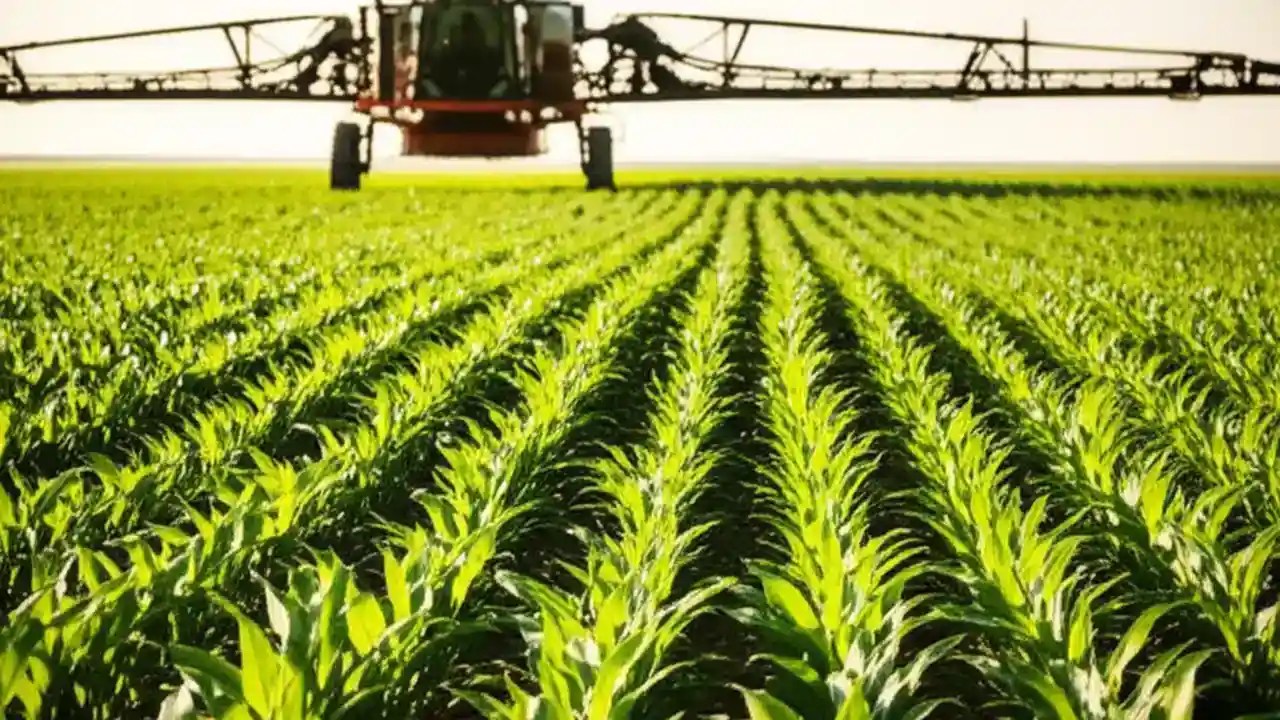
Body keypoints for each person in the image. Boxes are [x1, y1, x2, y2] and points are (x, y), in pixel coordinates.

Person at [435, 11, 505, 97]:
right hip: (445, 104)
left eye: (471, 32)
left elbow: (502, 81)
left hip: (489, 104)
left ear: (480, 35)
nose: (467, 37)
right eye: (464, 32)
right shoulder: (444, 59)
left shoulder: (492, 59)